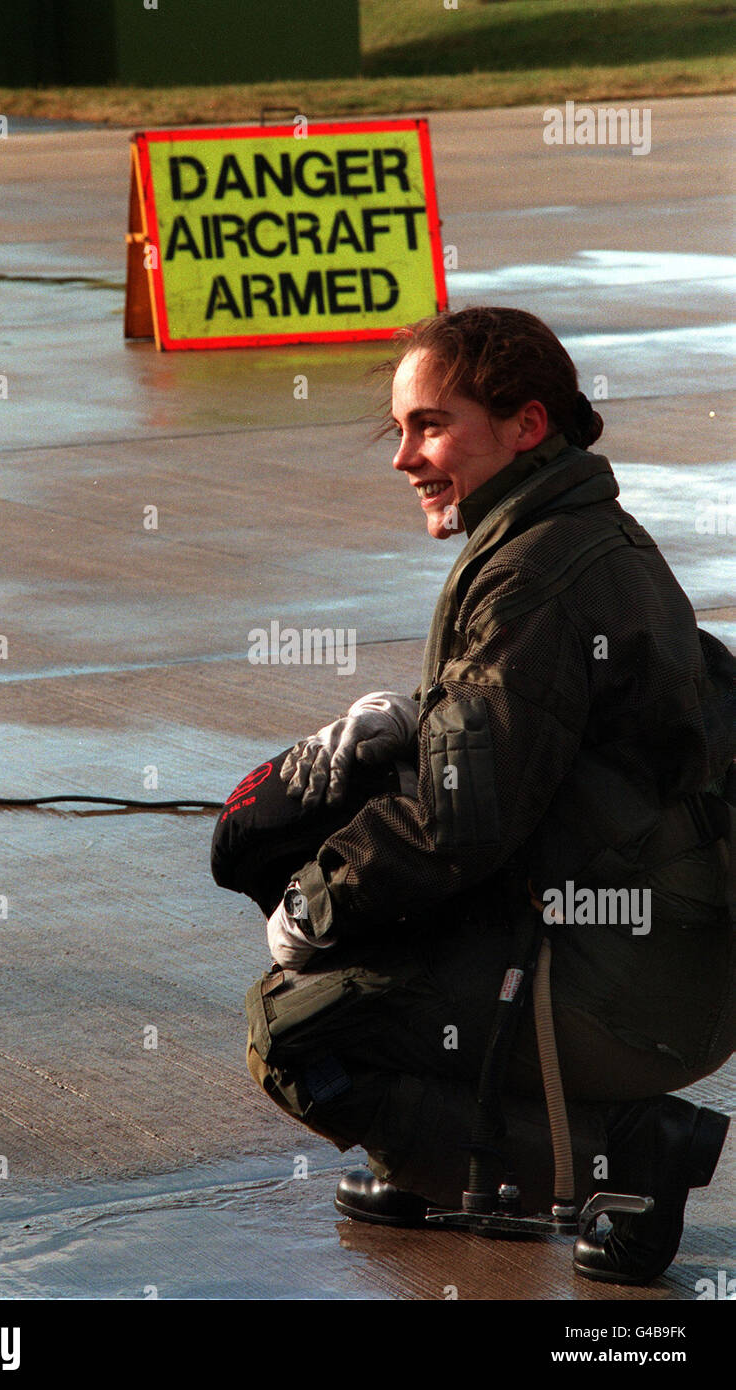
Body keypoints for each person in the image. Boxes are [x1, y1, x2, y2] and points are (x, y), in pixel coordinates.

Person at [212, 306, 734, 1285]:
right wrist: (409, 725)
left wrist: (314, 902)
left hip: (631, 982)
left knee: (295, 1029)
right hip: (666, 939)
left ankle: (626, 1156)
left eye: (431, 426)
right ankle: (438, 1163)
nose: (403, 456)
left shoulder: (532, 575)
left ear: (525, 425)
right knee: (349, 871)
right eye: (400, 428)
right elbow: (536, 731)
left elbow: (459, 824)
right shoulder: (574, 534)